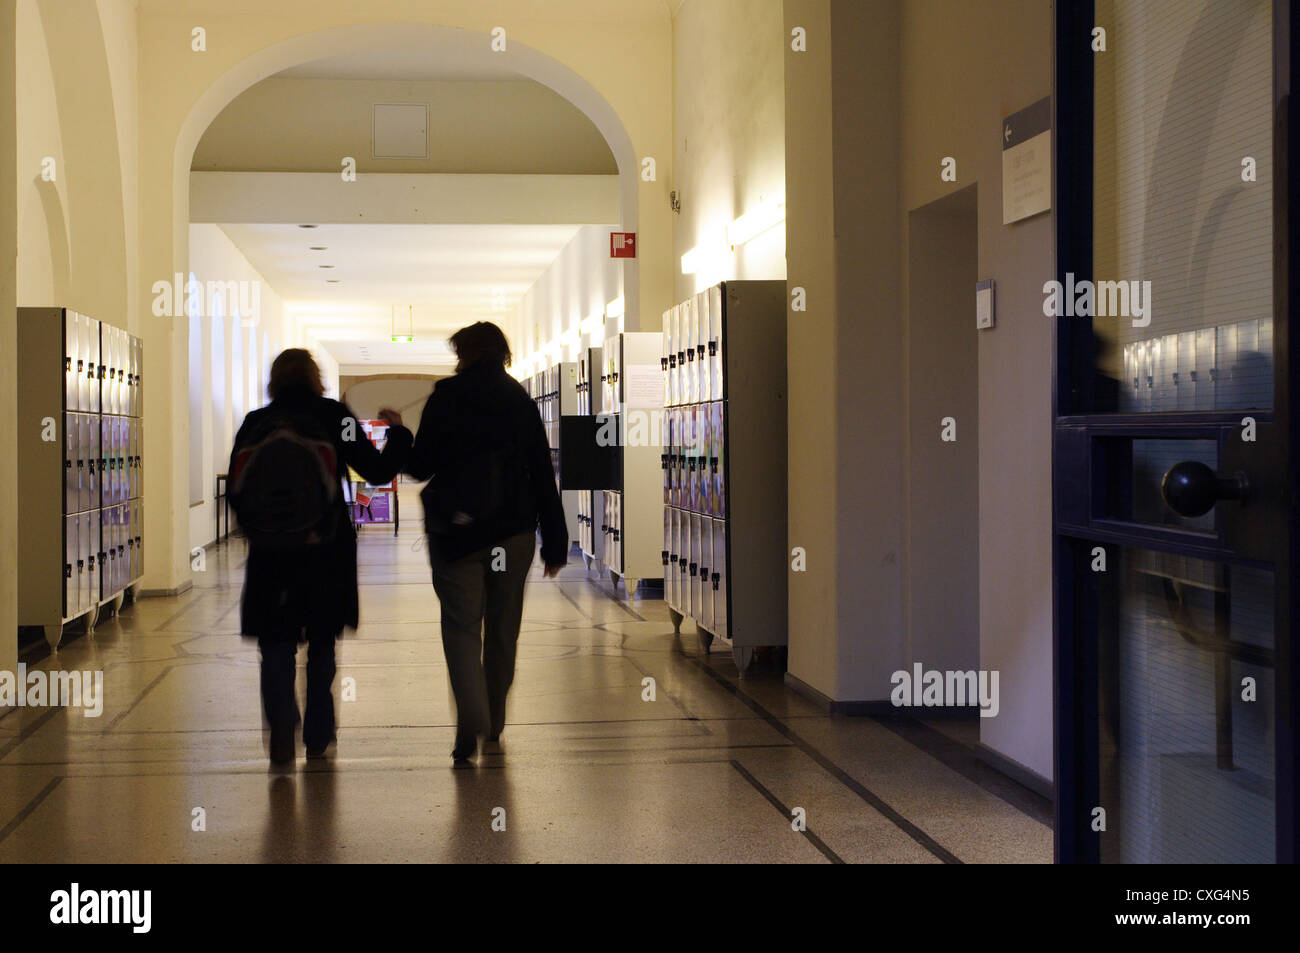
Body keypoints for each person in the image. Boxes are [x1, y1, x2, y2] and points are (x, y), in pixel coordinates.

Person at [228, 348, 412, 767]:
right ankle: (317, 734)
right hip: (325, 551)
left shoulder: (257, 423)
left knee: (276, 643)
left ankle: (280, 729)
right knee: (322, 644)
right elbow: (378, 472)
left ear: (275, 380)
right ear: (316, 379)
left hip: (271, 555)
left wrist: (261, 531)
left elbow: (236, 492)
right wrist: (397, 432)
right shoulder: (334, 417)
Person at [406, 322, 567, 765]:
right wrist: (556, 541)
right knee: (502, 629)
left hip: (456, 535)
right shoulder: (519, 400)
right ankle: (493, 722)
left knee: (460, 629)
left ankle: (468, 725)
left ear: (468, 354)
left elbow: (420, 467)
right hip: (512, 534)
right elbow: (541, 472)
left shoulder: (446, 397)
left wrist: (398, 434)